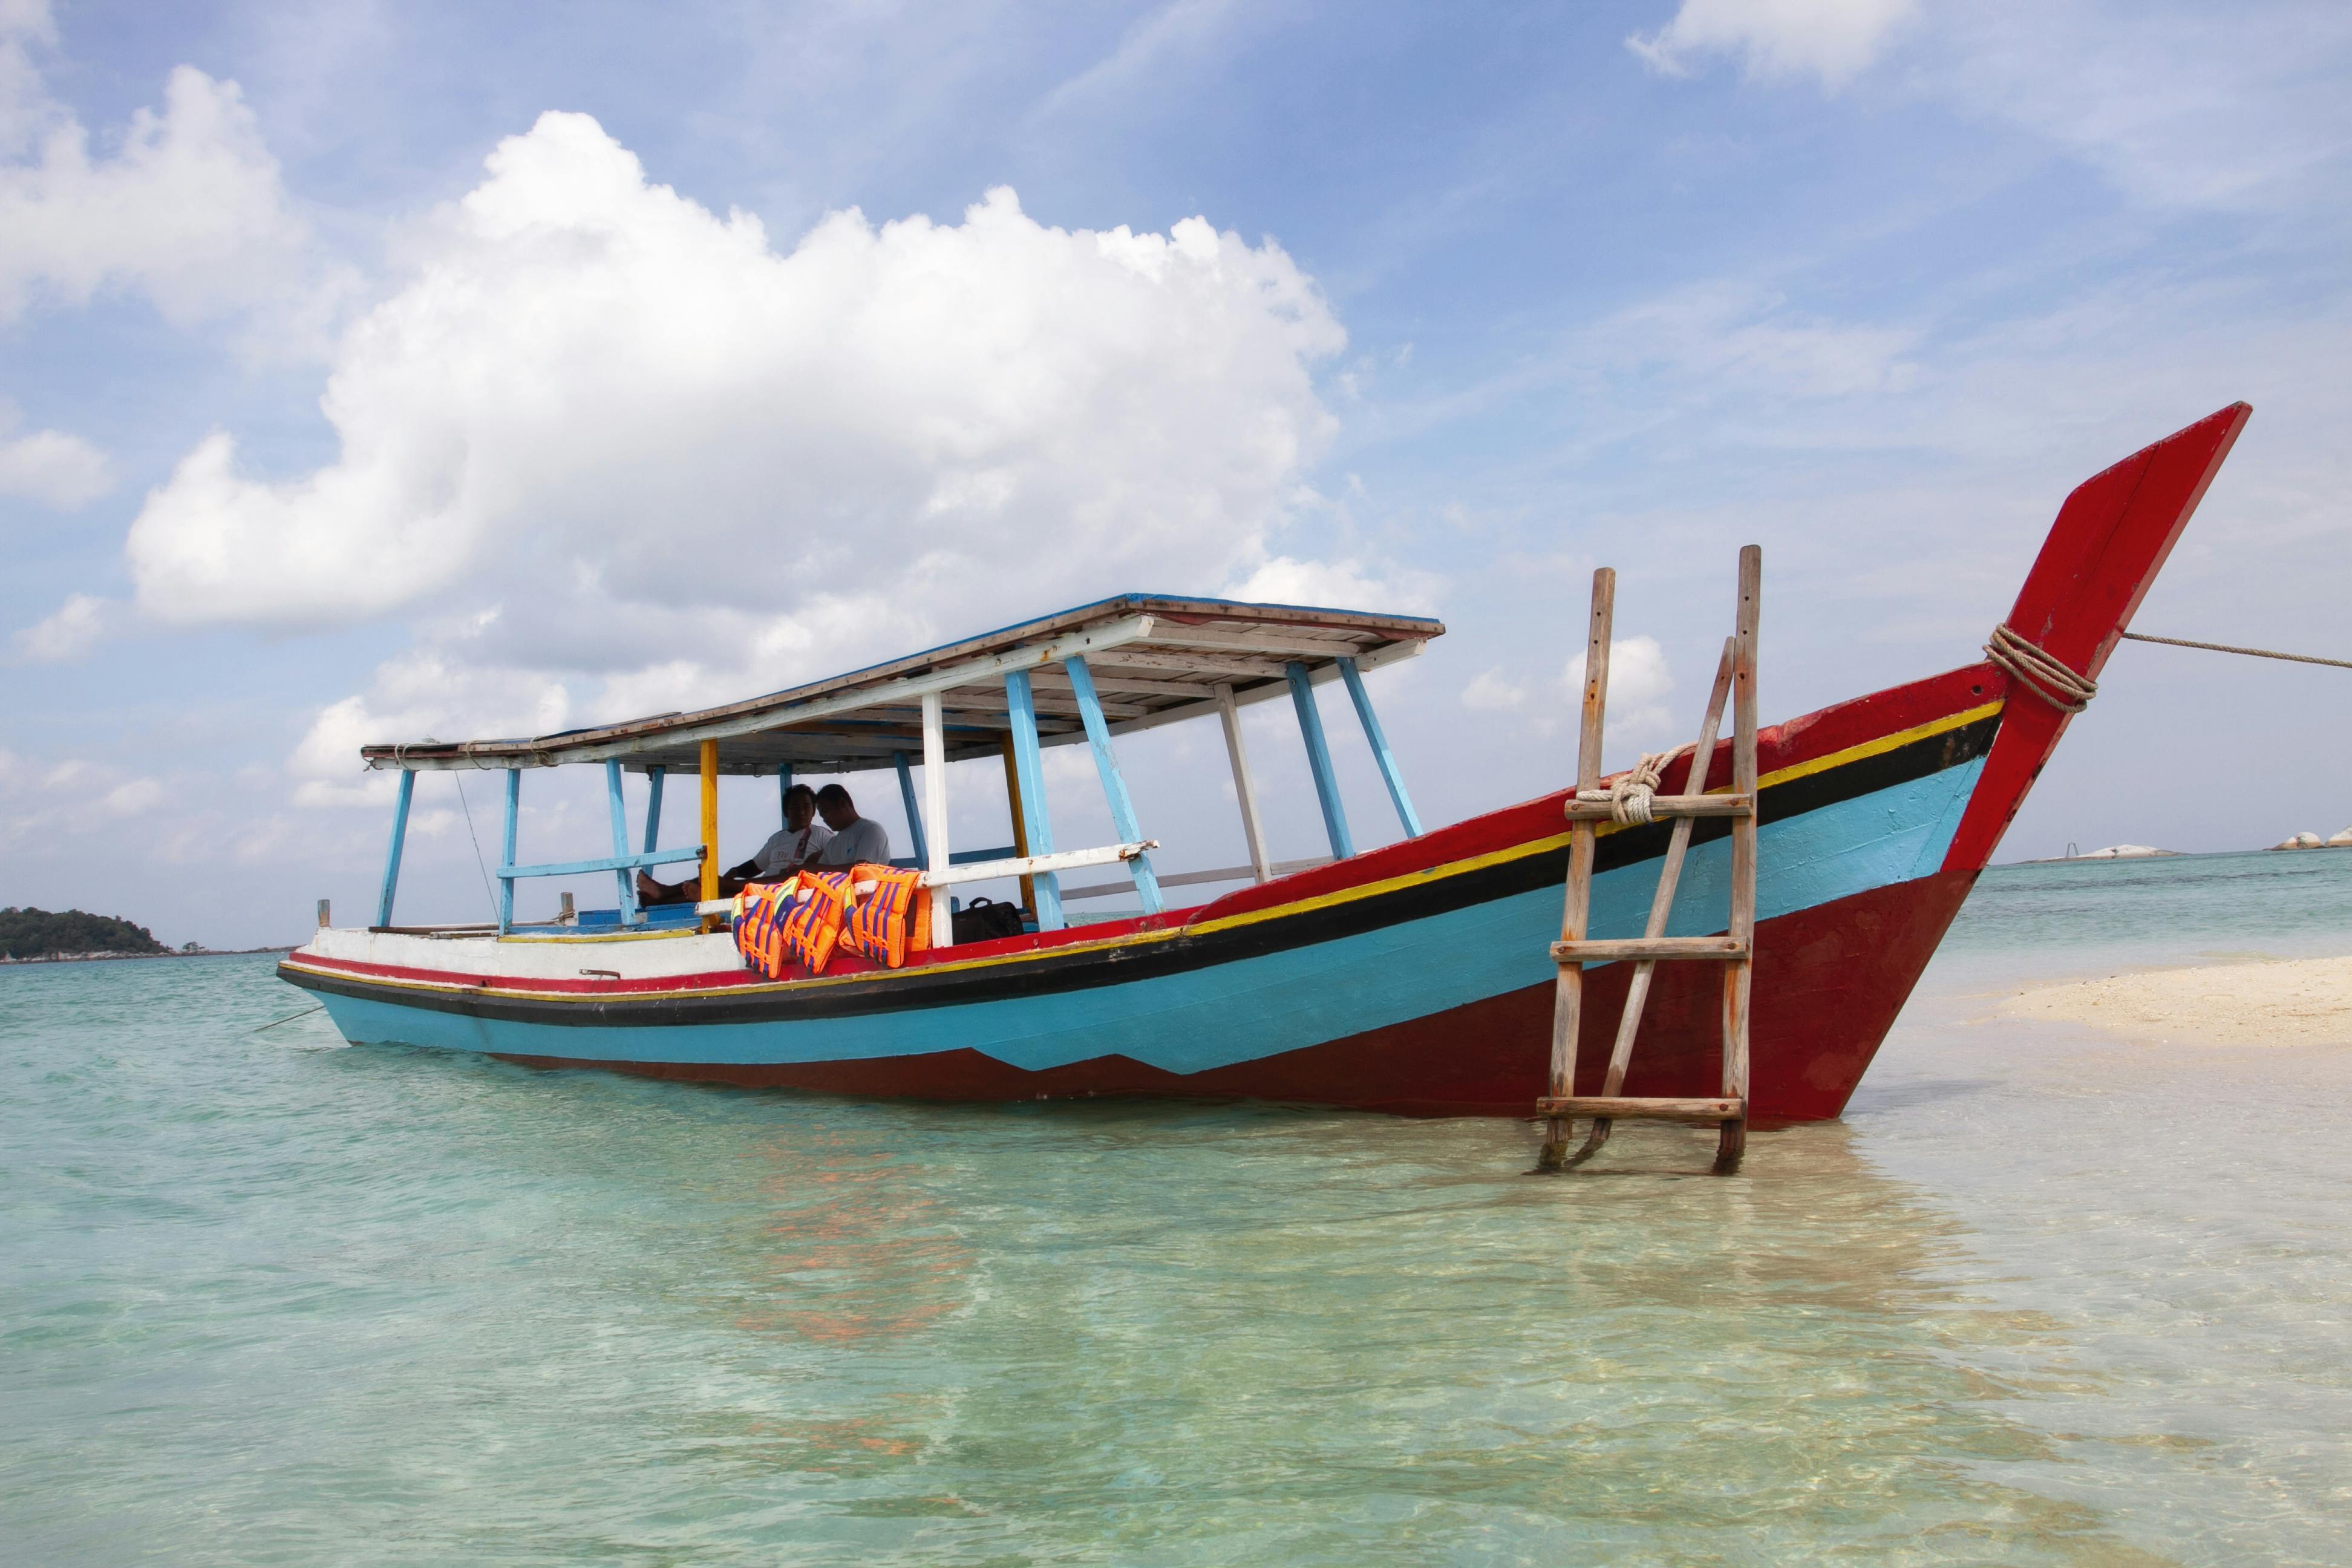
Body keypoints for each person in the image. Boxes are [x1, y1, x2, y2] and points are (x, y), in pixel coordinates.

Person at [636, 783, 834, 906]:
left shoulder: (821, 835)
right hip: (760, 885)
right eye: (795, 807)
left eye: (806, 807)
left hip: (783, 890)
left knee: (717, 887)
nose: (801, 812)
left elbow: (832, 862)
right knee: (714, 884)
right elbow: (755, 865)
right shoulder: (778, 839)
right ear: (786, 812)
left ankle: (668, 894)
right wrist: (735, 870)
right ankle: (661, 897)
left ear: (814, 810)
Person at [802, 783, 891, 868]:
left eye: (826, 812)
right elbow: (818, 872)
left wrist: (815, 868)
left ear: (843, 803)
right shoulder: (833, 843)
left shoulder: (871, 830)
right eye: (822, 816)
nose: (824, 819)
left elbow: (863, 870)